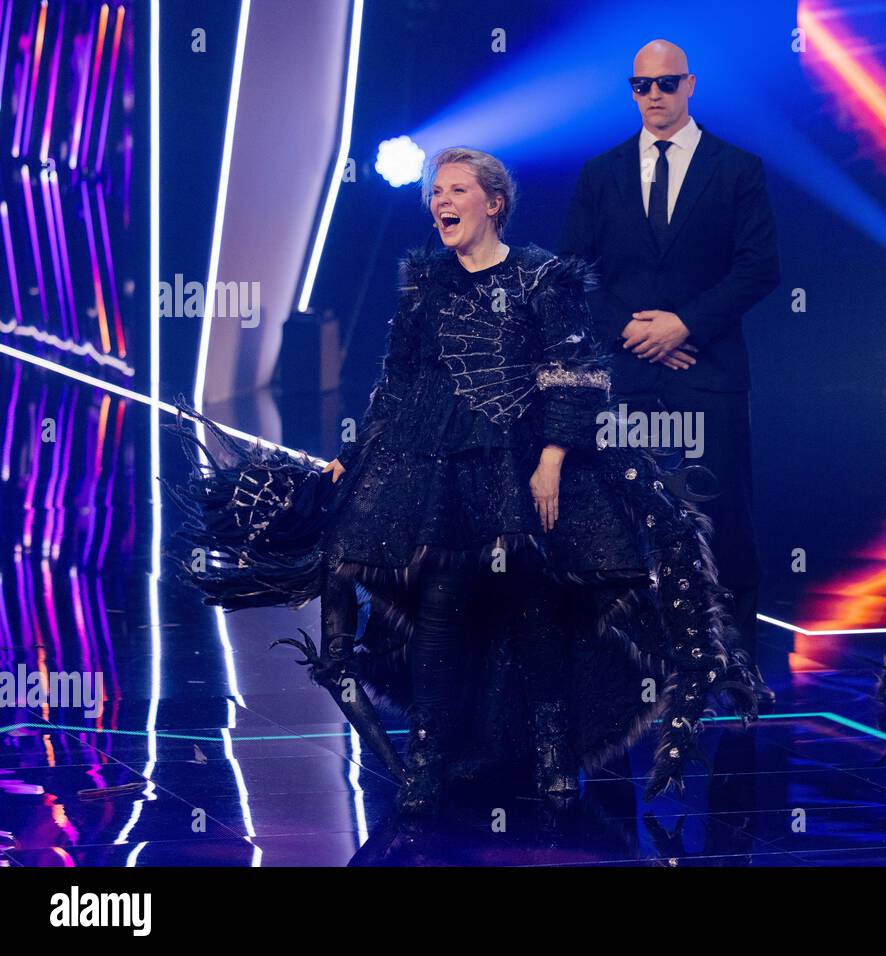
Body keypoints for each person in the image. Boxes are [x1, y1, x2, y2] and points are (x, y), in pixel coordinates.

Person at [164, 147, 763, 817]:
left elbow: (575, 373)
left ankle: (555, 754)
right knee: (443, 608)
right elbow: (398, 382)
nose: (439, 202)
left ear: (493, 203)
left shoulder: (543, 279)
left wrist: (552, 460)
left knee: (537, 606)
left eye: (455, 189)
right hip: (441, 470)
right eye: (434, 193)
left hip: (526, 465)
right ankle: (427, 755)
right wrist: (352, 458)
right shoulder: (428, 283)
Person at [559, 39, 780, 674]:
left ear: (690, 86)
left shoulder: (738, 168)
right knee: (619, 521)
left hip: (706, 370)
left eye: (665, 83)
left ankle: (731, 667)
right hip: (625, 374)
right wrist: (635, 331)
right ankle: (632, 668)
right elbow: (573, 272)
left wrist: (686, 326)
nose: (653, 95)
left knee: (723, 520)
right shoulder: (599, 173)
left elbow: (759, 267)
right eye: (641, 85)